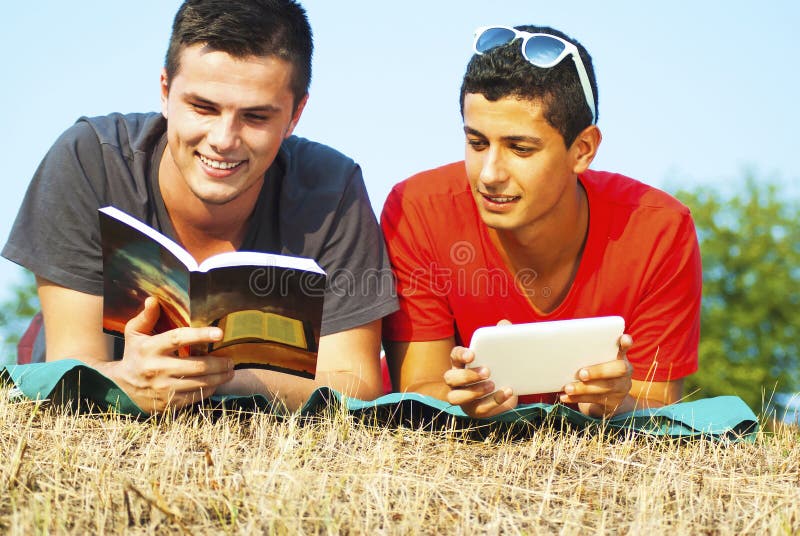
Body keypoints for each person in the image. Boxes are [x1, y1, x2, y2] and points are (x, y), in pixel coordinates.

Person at [2, 0, 398, 413]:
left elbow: (356, 382)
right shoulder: (89, 159)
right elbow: (73, 360)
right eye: (203, 107)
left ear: (295, 115)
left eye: (256, 117)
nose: (224, 139)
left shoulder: (333, 190)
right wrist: (125, 377)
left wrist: (211, 378)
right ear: (164, 91)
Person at [381, 25, 701, 419]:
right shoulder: (419, 209)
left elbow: (660, 407)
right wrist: (462, 399)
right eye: (477, 143)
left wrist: (618, 404)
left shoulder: (659, 230)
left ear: (582, 150)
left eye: (520, 148)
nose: (489, 174)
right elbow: (417, 388)